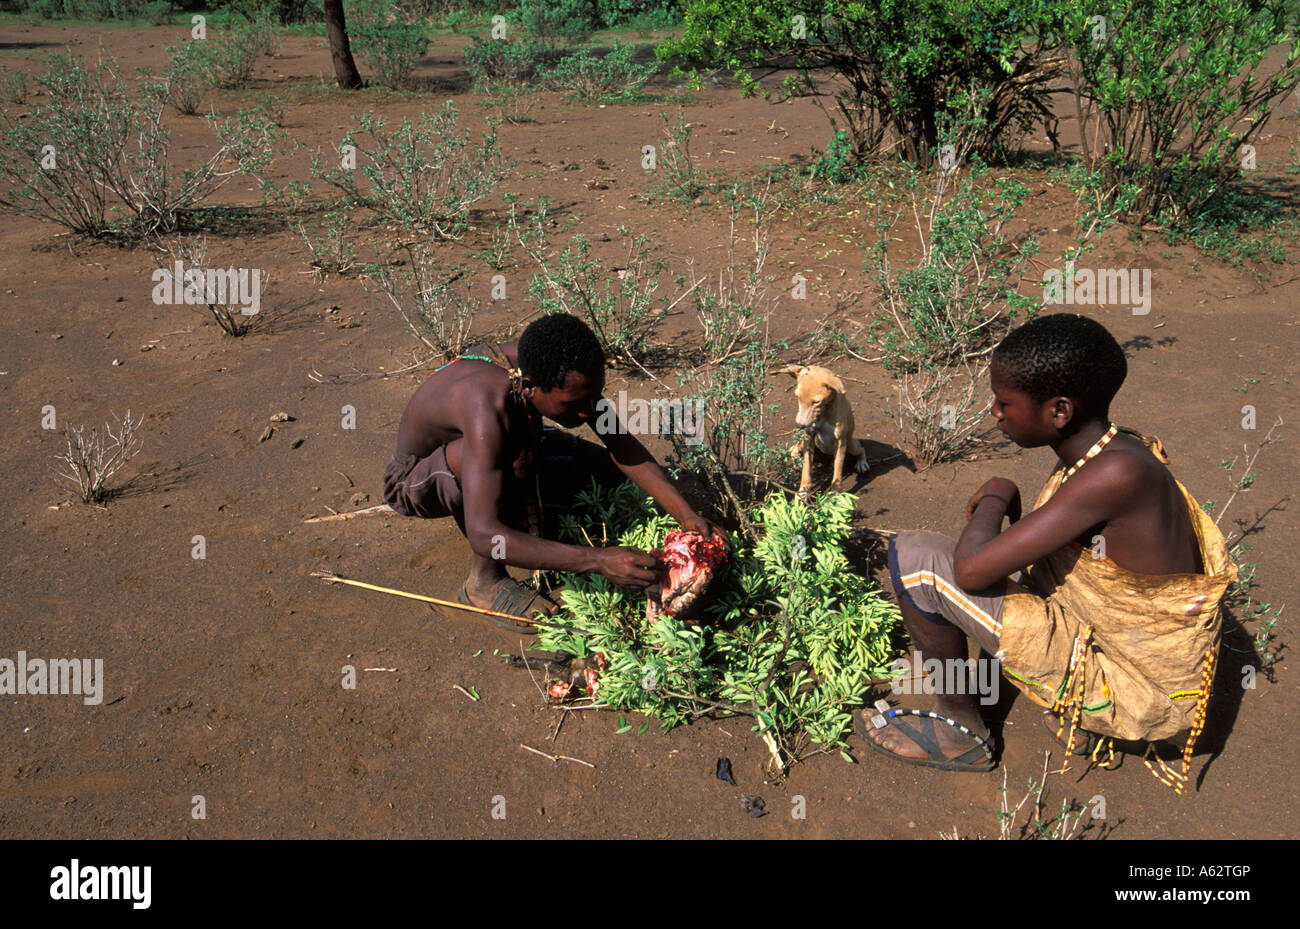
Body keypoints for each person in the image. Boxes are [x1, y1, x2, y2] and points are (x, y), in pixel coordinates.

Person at [857, 314, 1235, 788]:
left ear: (1059, 412)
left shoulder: (1113, 475)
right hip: (1122, 649)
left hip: (1138, 688)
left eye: (1004, 402)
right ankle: (1064, 702)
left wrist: (997, 492)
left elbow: (972, 571)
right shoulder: (1116, 450)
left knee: (914, 558)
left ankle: (963, 734)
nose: (995, 412)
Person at [383, 313, 724, 631]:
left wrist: (685, 514)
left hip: (508, 442)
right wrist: (597, 560)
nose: (588, 412)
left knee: (602, 469)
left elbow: (619, 442)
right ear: (529, 387)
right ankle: (483, 584)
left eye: (593, 398)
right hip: (419, 479)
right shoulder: (487, 408)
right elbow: (484, 535)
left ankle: (528, 483)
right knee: (510, 455)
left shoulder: (558, 371)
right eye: (574, 405)